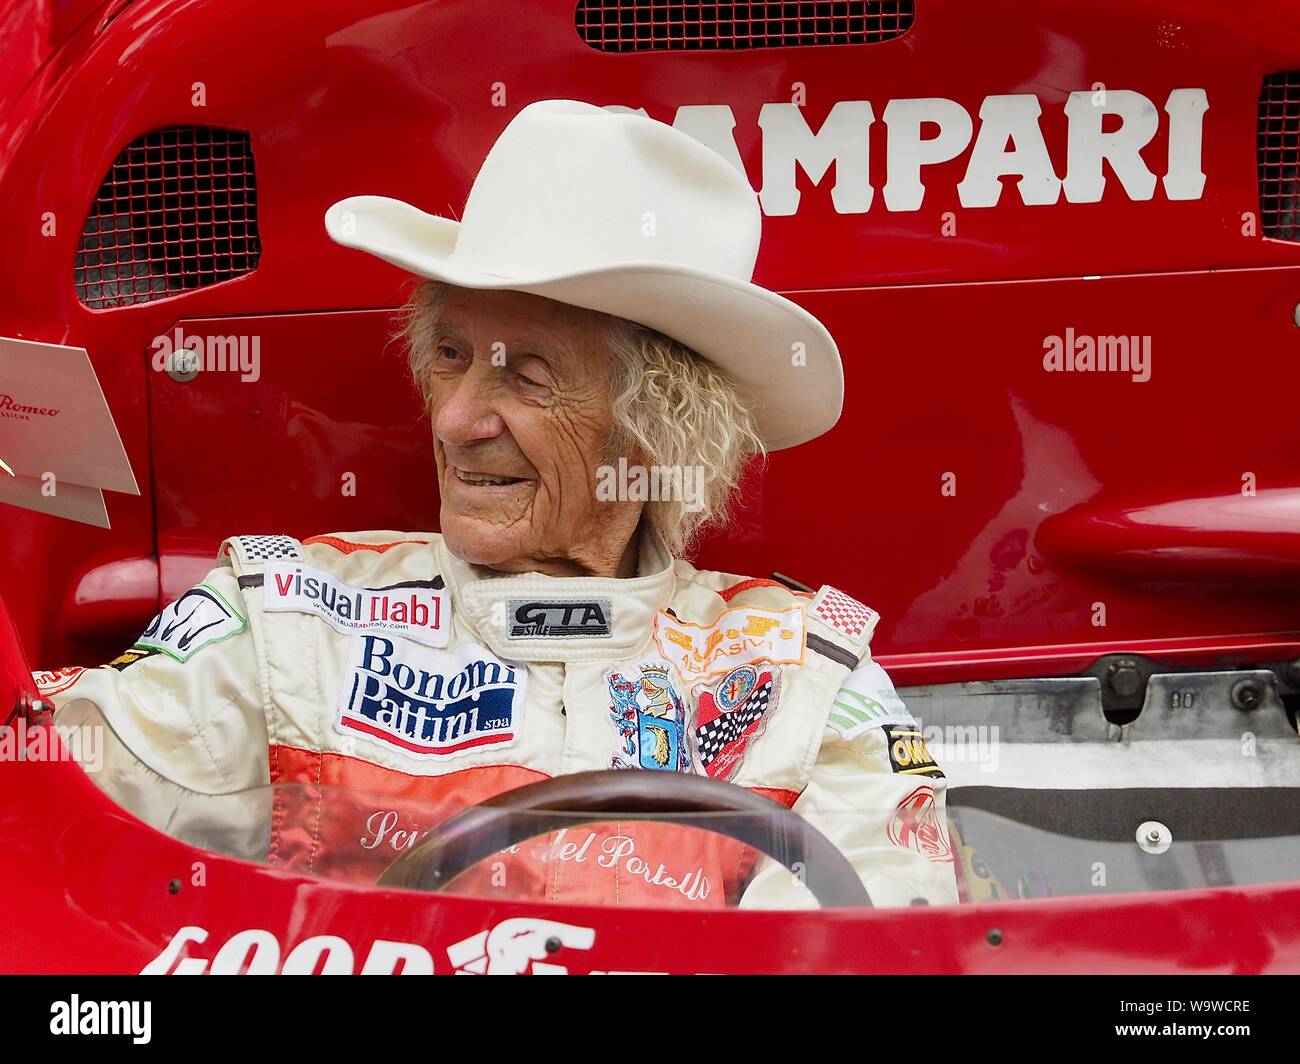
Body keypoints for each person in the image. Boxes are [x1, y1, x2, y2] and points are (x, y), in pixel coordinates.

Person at [39, 100, 958, 909]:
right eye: (451, 354)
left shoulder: (808, 673)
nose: (457, 418)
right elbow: (39, 821)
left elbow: (871, 953)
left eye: (529, 375)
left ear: (653, 430)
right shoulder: (286, 621)